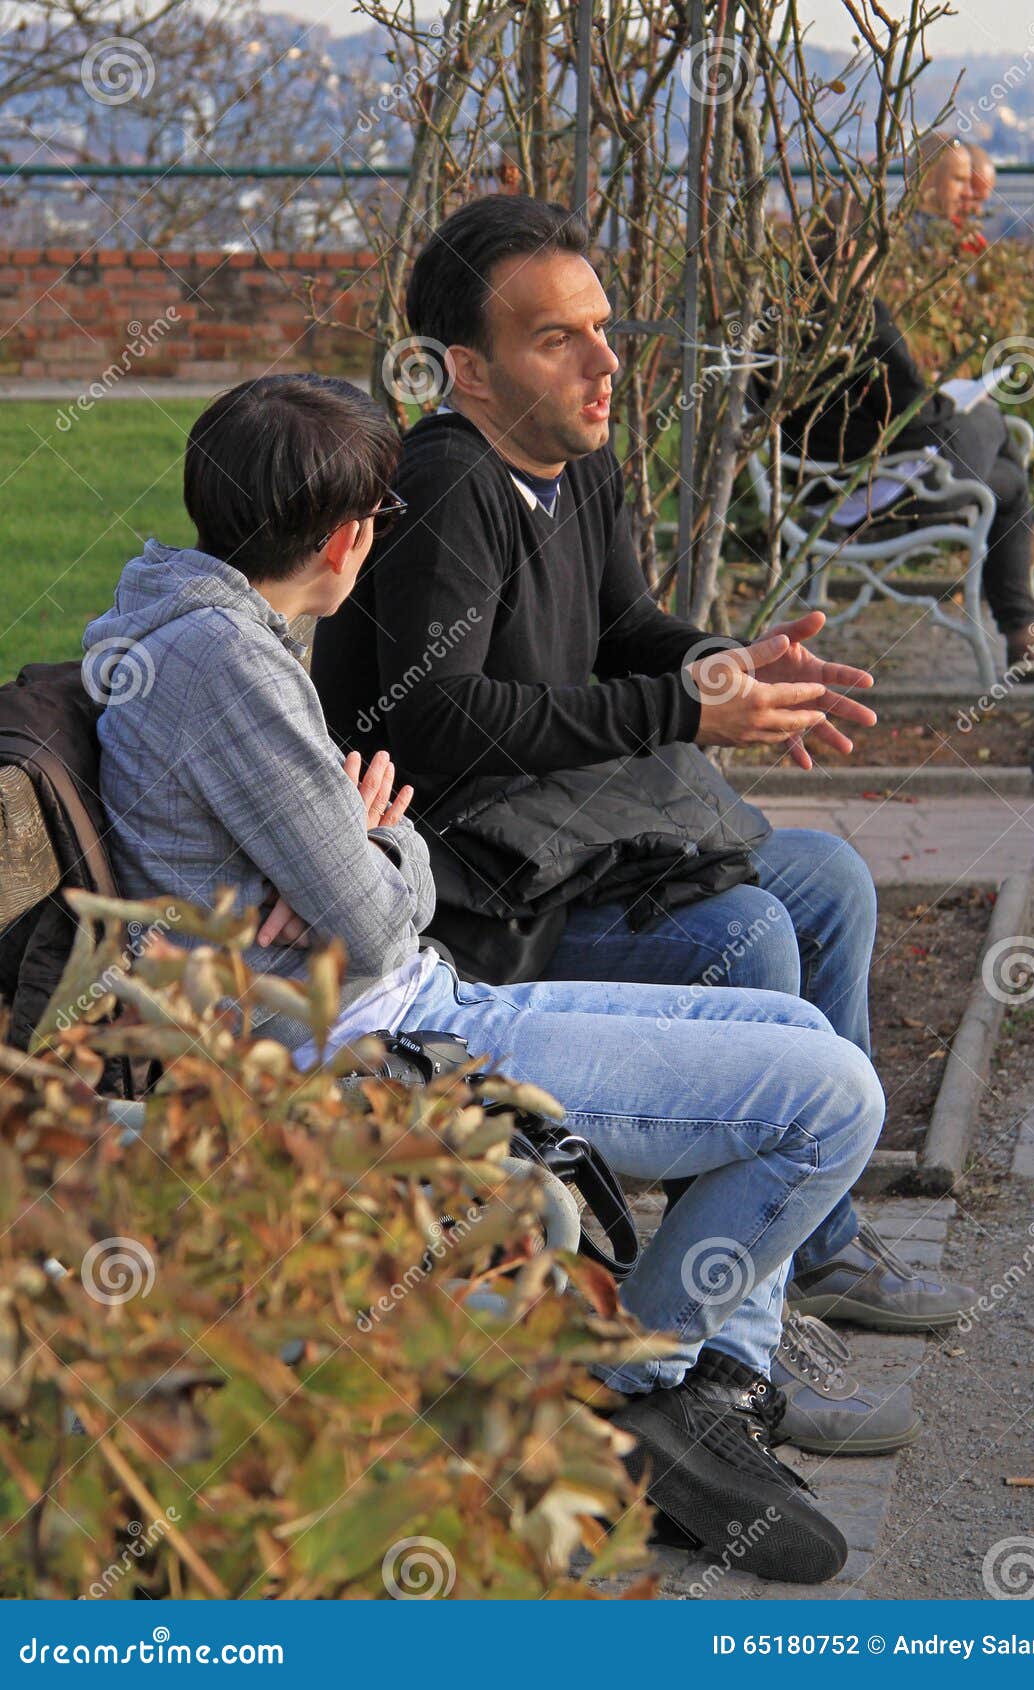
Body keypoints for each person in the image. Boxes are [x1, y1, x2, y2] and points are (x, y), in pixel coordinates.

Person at [84, 371, 887, 1584]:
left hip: (406, 1002)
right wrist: (387, 847)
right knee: (837, 1102)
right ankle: (627, 1387)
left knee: (779, 1017)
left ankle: (699, 1392)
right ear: (352, 534)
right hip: (372, 1052)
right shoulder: (221, 659)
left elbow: (351, 895)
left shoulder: (211, 626)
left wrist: (363, 849)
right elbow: (367, 910)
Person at [311, 194, 977, 1419]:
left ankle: (809, 1239)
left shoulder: (577, 462)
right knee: (749, 936)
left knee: (826, 880)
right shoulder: (450, 488)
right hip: (466, 901)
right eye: (556, 337)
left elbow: (626, 630)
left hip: (560, 851)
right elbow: (437, 722)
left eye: (602, 327)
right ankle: (711, 1369)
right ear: (467, 368)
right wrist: (681, 712)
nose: (604, 361)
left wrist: (725, 664)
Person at [777, 192, 1034, 685]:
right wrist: (954, 400)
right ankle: (1023, 626)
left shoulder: (781, 310)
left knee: (1004, 474)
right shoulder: (859, 313)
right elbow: (915, 414)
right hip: (877, 491)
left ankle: (1024, 621)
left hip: (814, 487)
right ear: (852, 253)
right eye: (877, 249)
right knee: (997, 439)